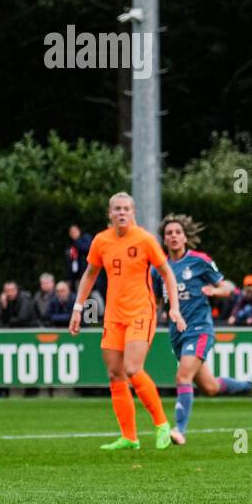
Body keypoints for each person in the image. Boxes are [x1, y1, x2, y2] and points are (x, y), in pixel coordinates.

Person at [69, 193, 183, 451]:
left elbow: (167, 273)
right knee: (115, 374)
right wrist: (78, 309)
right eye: (117, 209)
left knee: (133, 369)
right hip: (113, 315)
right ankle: (129, 437)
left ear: (133, 213)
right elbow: (89, 275)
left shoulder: (144, 240)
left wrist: (174, 308)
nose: (122, 213)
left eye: (126, 209)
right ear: (110, 214)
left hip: (141, 312)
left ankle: (162, 424)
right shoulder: (101, 241)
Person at [154, 214, 252, 446]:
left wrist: (216, 291)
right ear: (164, 240)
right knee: (210, 387)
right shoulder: (159, 269)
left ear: (185, 237)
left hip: (199, 329)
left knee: (183, 375)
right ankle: (249, 386)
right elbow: (154, 299)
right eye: (169, 233)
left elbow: (229, 286)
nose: (173, 236)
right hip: (176, 333)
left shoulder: (198, 261)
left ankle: (179, 430)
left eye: (177, 232)